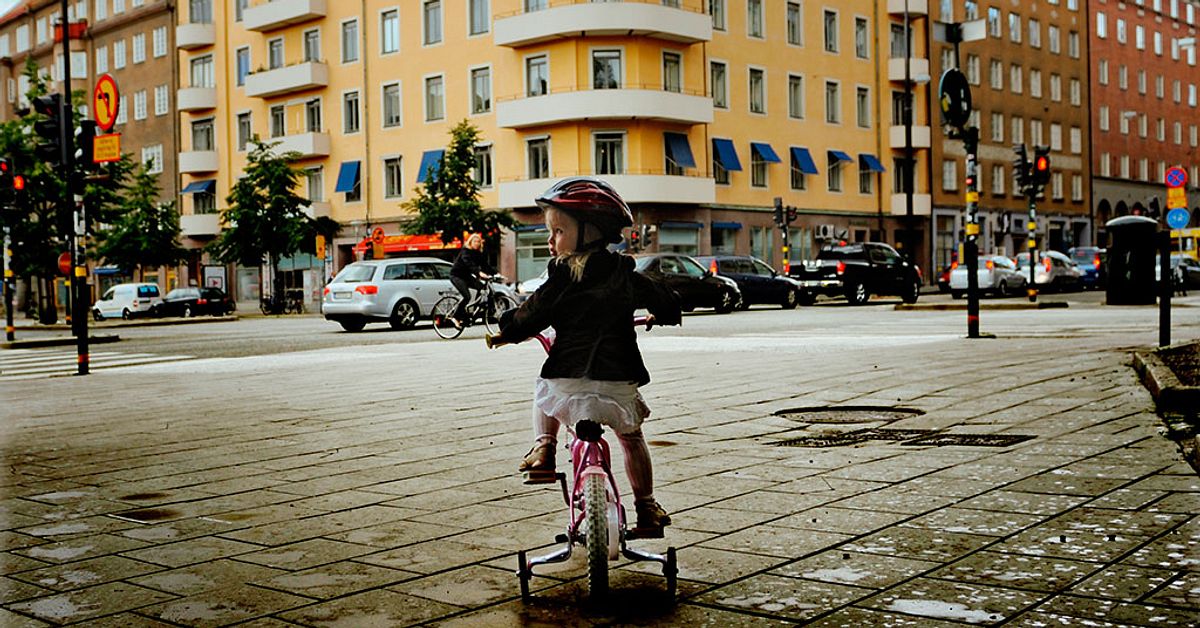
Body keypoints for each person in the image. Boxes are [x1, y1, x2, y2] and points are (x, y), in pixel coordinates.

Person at [489, 177, 681, 537]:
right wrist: (663, 314)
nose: (550, 241)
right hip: (619, 380)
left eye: (558, 231)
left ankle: (544, 450)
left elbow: (530, 315)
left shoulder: (561, 277)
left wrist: (506, 330)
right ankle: (646, 505)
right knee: (633, 438)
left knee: (544, 389)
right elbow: (665, 299)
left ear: (589, 231)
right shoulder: (625, 273)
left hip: (568, 376)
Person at [449, 233, 496, 328]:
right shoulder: (465, 251)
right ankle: (455, 317)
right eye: (475, 241)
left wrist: (496, 274)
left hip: (467, 276)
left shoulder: (478, 253)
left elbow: (485, 265)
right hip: (457, 276)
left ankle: (475, 311)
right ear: (470, 242)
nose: (477, 243)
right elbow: (469, 264)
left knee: (483, 288)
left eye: (479, 242)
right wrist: (479, 273)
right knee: (467, 296)